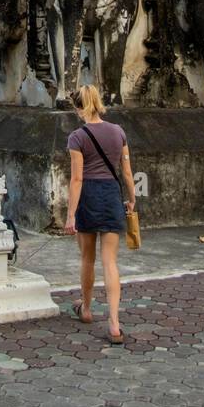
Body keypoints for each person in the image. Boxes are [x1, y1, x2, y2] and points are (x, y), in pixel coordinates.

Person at [64, 84, 135, 343]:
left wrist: (71, 215)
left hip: (89, 195)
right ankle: (115, 324)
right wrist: (131, 198)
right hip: (112, 194)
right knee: (110, 262)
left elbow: (76, 179)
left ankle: (86, 308)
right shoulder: (118, 132)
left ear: (79, 107)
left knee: (87, 259)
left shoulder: (77, 137)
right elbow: (126, 171)